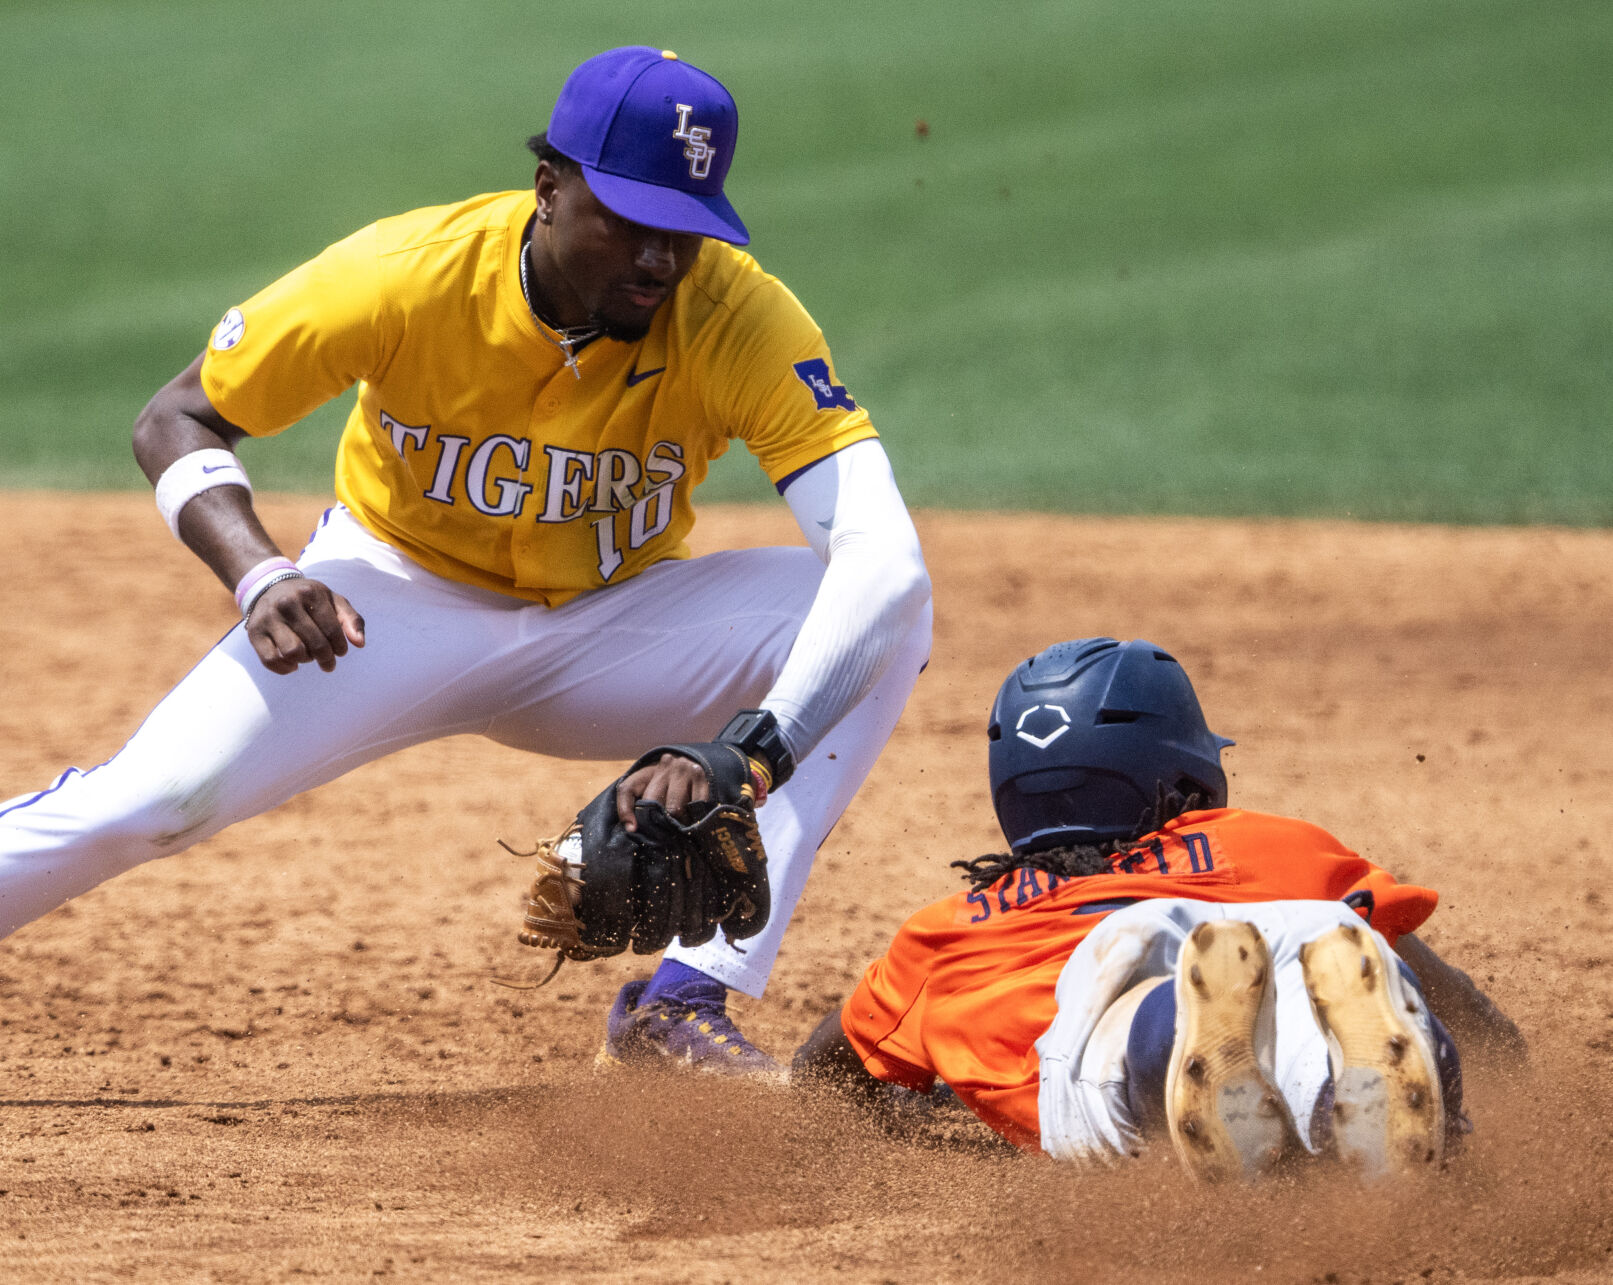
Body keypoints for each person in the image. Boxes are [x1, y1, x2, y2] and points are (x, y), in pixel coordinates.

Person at [0, 46, 931, 1076]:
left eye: (684, 230)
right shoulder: (406, 273)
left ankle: (680, 1000)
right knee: (155, 799)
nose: (658, 260)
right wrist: (261, 572)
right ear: (548, 188)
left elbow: (881, 557)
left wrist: (754, 752)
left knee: (881, 614)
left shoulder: (735, 318)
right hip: (380, 609)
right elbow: (176, 418)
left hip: (611, 632)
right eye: (626, 220)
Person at [793, 638, 1523, 1181]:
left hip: (1097, 1045)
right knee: (1328, 948)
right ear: (1185, 773)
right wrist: (1506, 1058)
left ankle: (1181, 1044)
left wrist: (924, 1100)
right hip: (1267, 932)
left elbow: (826, 1069)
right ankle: (1347, 1092)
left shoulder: (953, 932)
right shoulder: (1266, 846)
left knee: (1113, 1030)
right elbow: (1438, 982)